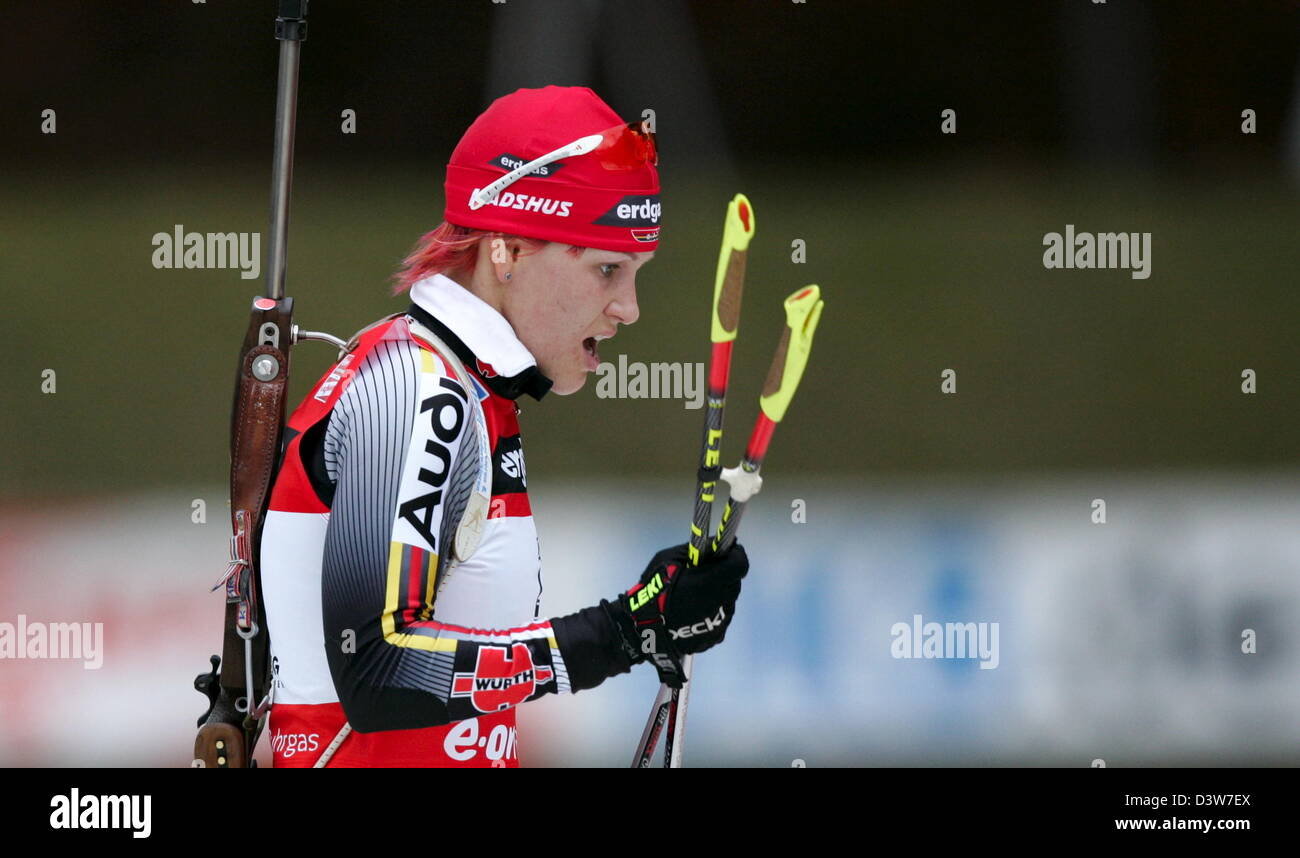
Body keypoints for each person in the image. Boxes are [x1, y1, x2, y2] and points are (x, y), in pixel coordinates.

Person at [258, 85, 749, 767]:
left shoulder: (470, 392)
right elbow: (376, 667)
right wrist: (617, 633)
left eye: (636, 274)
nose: (628, 308)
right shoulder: (419, 390)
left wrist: (645, 619)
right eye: (607, 269)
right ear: (507, 252)